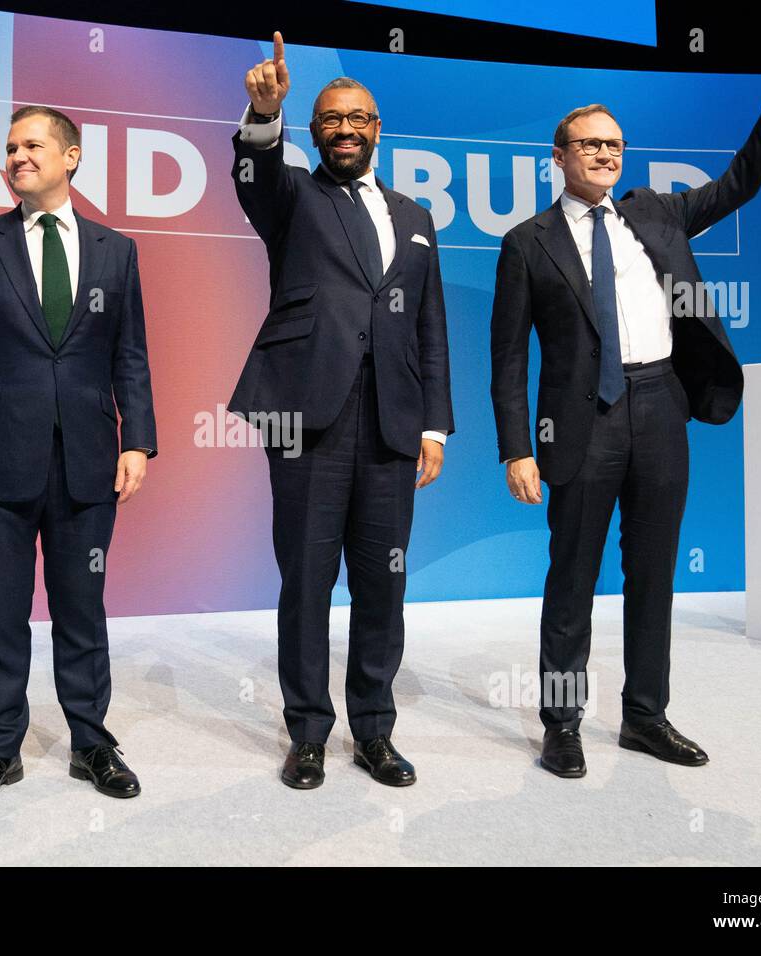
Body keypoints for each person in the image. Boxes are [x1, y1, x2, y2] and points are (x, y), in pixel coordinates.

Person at [489, 26, 761, 778]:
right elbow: (506, 357)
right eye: (589, 144)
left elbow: (738, 184)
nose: (605, 154)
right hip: (580, 420)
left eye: (615, 145)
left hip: (660, 405)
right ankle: (562, 724)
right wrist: (516, 447)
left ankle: (644, 716)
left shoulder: (657, 214)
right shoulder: (527, 244)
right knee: (571, 576)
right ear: (559, 157)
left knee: (654, 572)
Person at [230, 33, 454, 789]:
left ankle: (375, 733)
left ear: (378, 129)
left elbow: (430, 324)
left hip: (392, 422)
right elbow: (255, 175)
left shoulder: (415, 214)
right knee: (306, 581)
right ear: (316, 129)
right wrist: (266, 115)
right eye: (330, 119)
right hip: (305, 417)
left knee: (383, 583)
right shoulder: (293, 197)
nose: (346, 130)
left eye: (358, 119)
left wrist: (433, 424)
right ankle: (309, 733)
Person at [0, 106, 157, 806]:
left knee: (82, 608)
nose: (18, 156)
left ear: (72, 156)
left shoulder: (117, 250)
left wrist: (138, 439)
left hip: (87, 455)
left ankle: (92, 742)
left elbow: (131, 355)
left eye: (32, 145)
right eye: (10, 147)